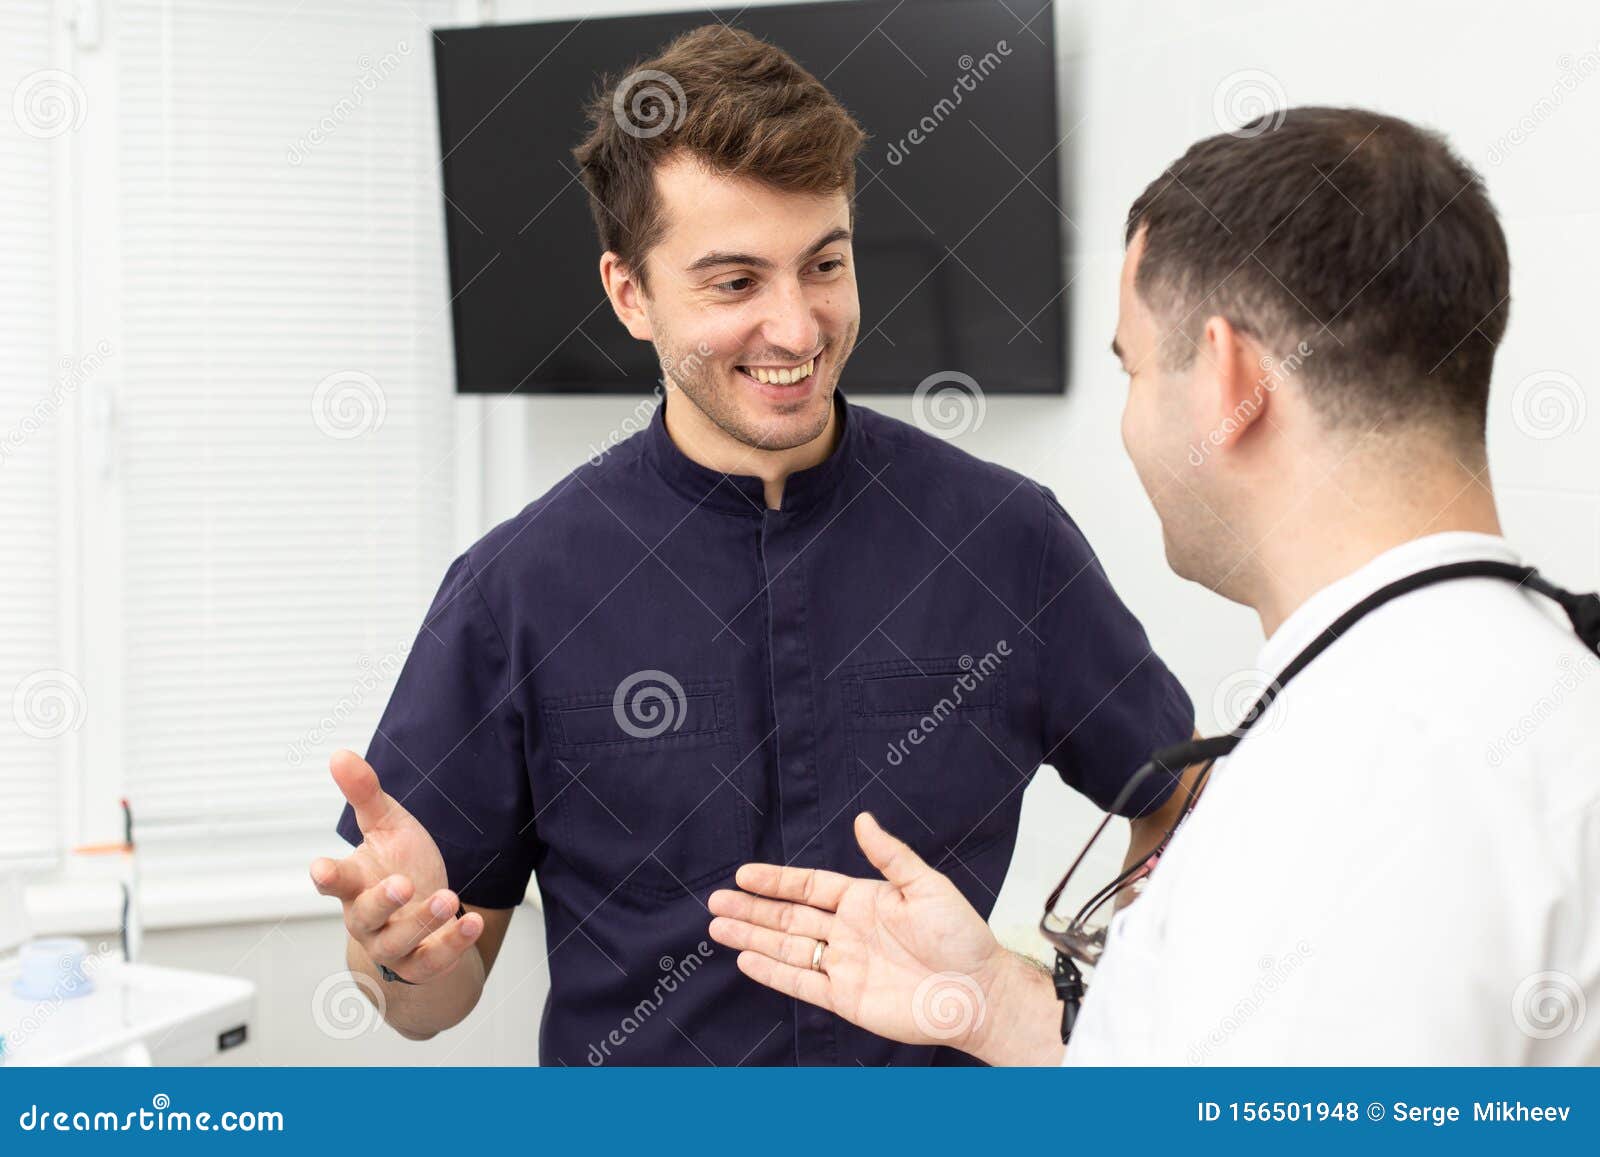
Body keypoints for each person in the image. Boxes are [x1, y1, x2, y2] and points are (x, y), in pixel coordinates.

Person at [307, 24, 1200, 1065]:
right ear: (628, 292)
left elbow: (1181, 807)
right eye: (735, 283)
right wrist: (398, 953)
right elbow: (431, 998)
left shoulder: (1008, 540)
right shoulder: (515, 590)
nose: (797, 326)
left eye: (823, 263)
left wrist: (1086, 1003)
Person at [706, 106, 1600, 1065]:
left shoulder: (1357, 789)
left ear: (1232, 380)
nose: (1128, 422)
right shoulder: (1522, 687)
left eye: (1131, 368)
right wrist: (995, 1003)